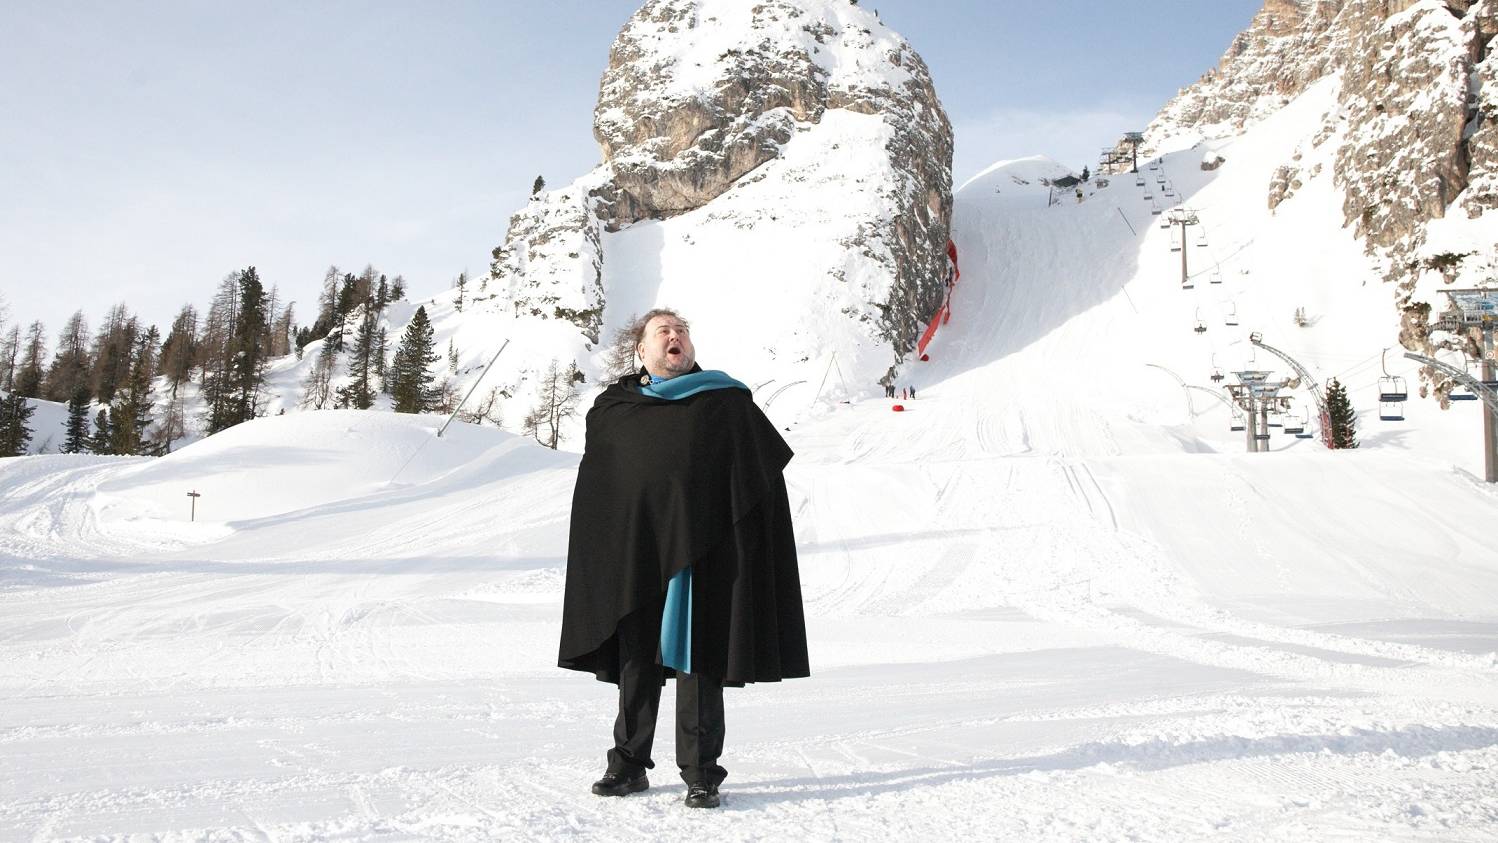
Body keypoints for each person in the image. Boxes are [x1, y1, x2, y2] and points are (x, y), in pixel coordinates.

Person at [558, 308, 810, 810]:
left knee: (699, 664)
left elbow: (757, 472)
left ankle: (701, 773)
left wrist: (742, 537)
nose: (675, 337)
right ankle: (627, 765)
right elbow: (602, 485)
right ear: (642, 351)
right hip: (636, 554)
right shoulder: (614, 407)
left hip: (702, 555)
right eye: (662, 332)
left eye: (681, 331)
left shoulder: (725, 402)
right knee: (636, 662)